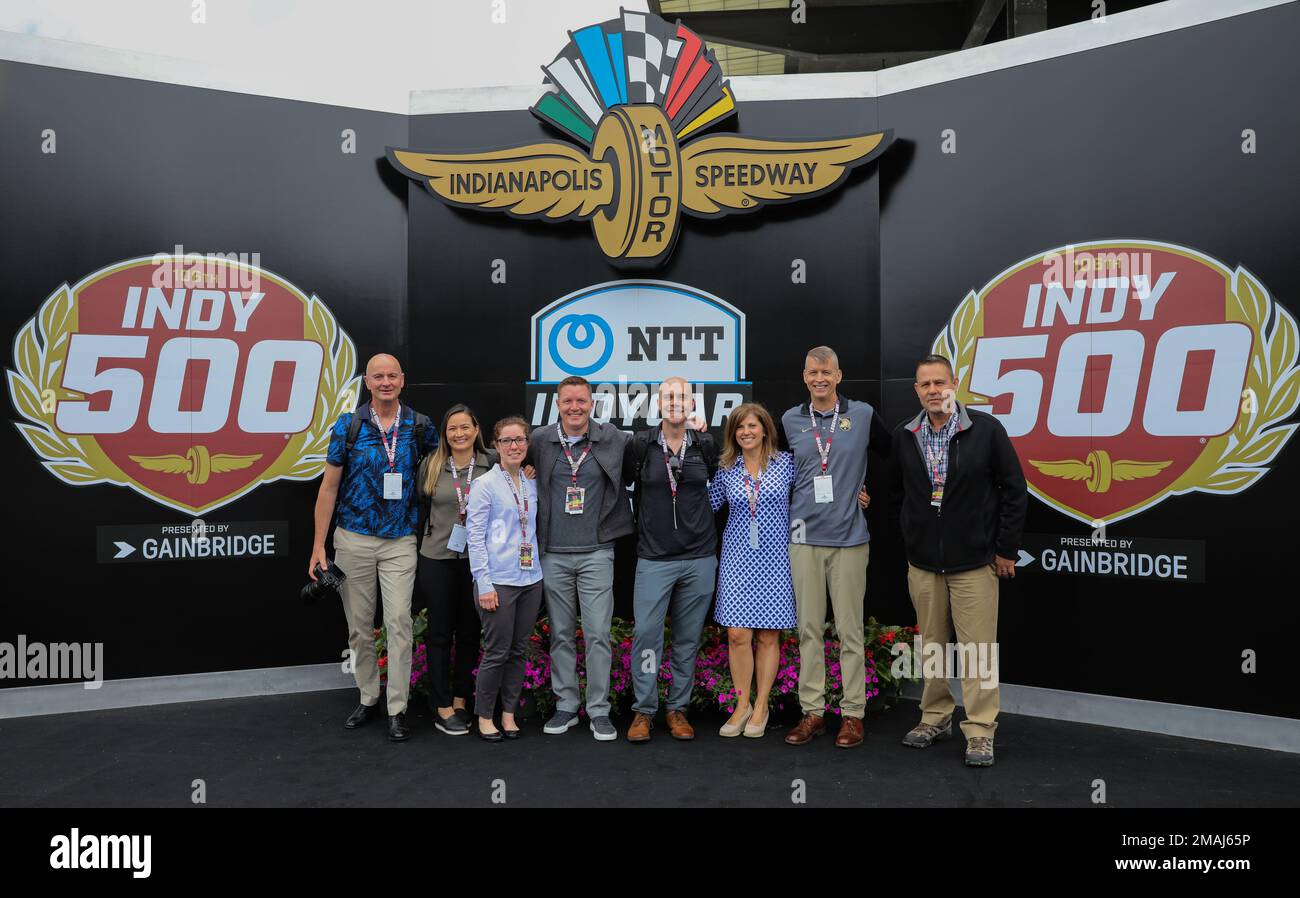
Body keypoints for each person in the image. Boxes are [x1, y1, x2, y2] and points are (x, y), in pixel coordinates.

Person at [891, 354, 1027, 767]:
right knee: (932, 646)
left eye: (940, 383)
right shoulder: (904, 434)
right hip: (924, 564)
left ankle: (981, 729)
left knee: (978, 651)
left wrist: (1004, 549)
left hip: (974, 563)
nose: (933, 390)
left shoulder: (985, 430)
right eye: (925, 384)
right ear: (916, 390)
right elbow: (899, 492)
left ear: (955, 384)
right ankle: (935, 716)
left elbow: (1014, 490)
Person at [309, 353, 437, 742]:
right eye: (378, 376)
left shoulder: (420, 426)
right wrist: (318, 546)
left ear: (402, 380)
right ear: (368, 381)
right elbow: (329, 487)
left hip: (400, 540)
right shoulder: (348, 426)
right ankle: (368, 697)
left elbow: (448, 466)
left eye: (392, 376)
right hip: (353, 541)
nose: (385, 382)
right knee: (359, 629)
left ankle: (397, 708)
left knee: (399, 622)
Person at [781, 346, 892, 749]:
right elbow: (777, 469)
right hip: (804, 540)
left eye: (826, 371)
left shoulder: (861, 415)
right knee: (809, 629)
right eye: (813, 372)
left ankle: (852, 715)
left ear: (839, 375)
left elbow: (891, 455)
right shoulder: (790, 420)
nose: (819, 378)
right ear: (805, 375)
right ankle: (813, 712)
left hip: (849, 540)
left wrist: (868, 492)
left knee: (849, 632)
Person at [527, 375, 633, 741]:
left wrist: (697, 427)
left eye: (581, 401)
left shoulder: (613, 438)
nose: (575, 407)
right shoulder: (539, 440)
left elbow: (653, 444)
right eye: (568, 401)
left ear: (592, 403)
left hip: (597, 553)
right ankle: (566, 706)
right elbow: (505, 455)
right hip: (553, 553)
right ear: (557, 404)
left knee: (598, 634)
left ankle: (599, 710)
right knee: (560, 634)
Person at [623, 378, 720, 743]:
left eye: (682, 396)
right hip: (654, 557)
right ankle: (644, 711)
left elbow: (720, 483)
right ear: (658, 403)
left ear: (692, 402)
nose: (675, 402)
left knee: (687, 638)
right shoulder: (641, 444)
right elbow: (623, 484)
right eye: (668, 397)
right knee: (647, 636)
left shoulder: (706, 443)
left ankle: (677, 709)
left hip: (699, 557)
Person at [708, 403, 797, 738]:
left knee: (768, 635)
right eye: (739, 428)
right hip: (736, 559)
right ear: (733, 434)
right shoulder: (727, 469)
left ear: (764, 429)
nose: (746, 432)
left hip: (776, 558)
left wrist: (858, 496)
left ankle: (762, 705)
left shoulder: (787, 465)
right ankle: (741, 705)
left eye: (752, 426)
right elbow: (704, 505)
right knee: (737, 635)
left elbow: (814, 497)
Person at [415, 404, 494, 736]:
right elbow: (421, 505)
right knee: (439, 632)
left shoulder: (493, 463)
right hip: (437, 558)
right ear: (445, 434)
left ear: (476, 429)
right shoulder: (431, 465)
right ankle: (442, 704)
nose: (459, 434)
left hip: (478, 562)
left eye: (465, 427)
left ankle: (461, 698)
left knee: (469, 632)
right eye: (452, 429)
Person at [465, 417, 544, 742]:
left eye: (520, 440)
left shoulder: (531, 484)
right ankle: (485, 716)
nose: (514, 446)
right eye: (507, 441)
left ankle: (509, 714)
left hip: (531, 579)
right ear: (495, 446)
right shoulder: (484, 485)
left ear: (527, 444)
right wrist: (484, 583)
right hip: (498, 581)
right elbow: (475, 536)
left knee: (518, 651)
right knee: (497, 651)